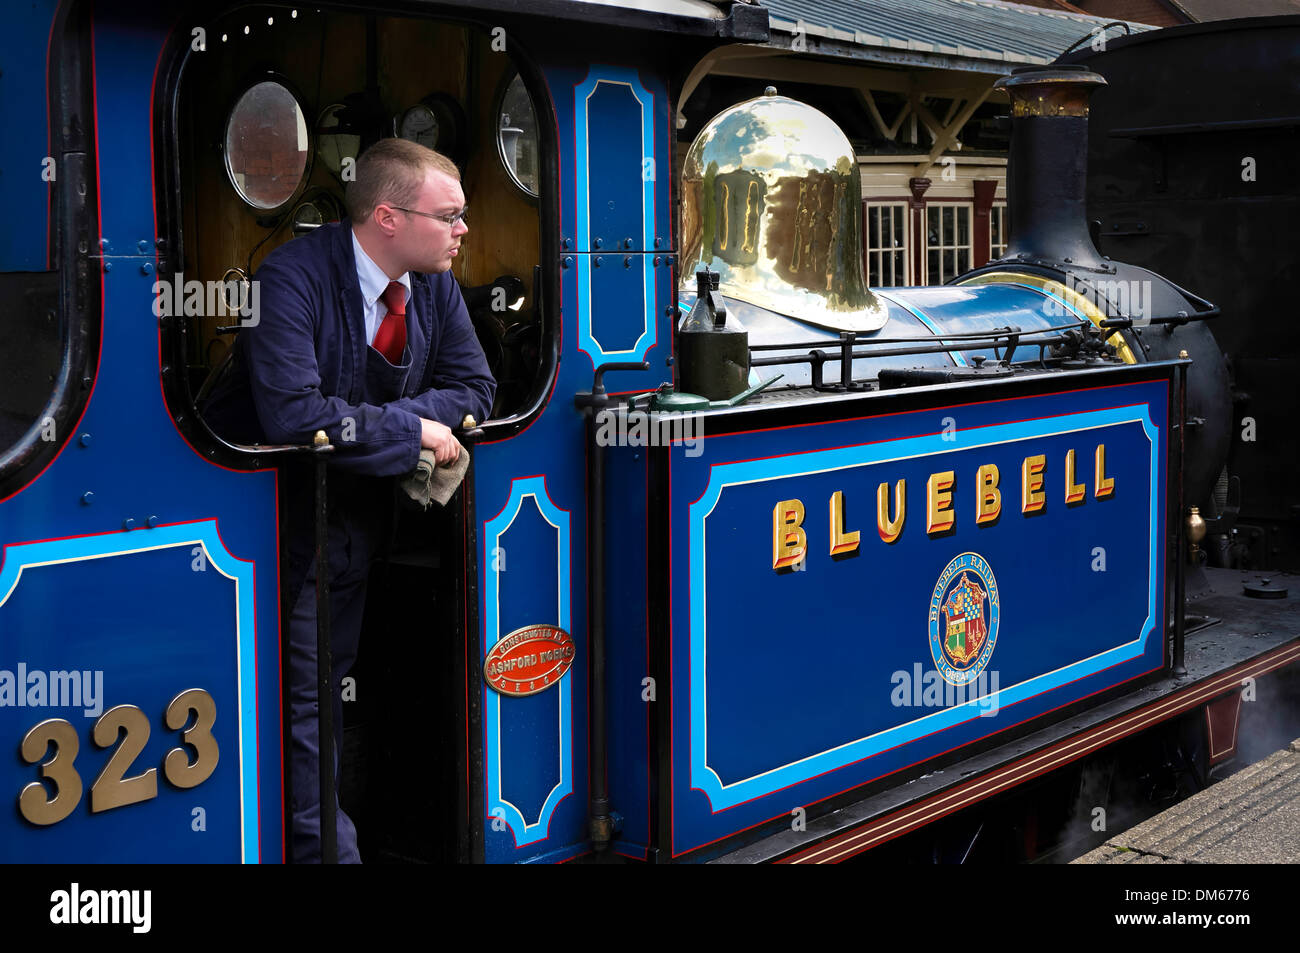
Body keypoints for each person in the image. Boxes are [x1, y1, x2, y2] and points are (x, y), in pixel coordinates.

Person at [202, 138, 495, 862]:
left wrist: (385, 424)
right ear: (389, 217)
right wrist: (418, 427)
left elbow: (478, 388)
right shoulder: (291, 279)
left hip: (364, 524)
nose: (464, 231)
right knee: (306, 705)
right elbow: (297, 416)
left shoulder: (433, 282)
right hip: (271, 529)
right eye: (450, 216)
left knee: (335, 692)